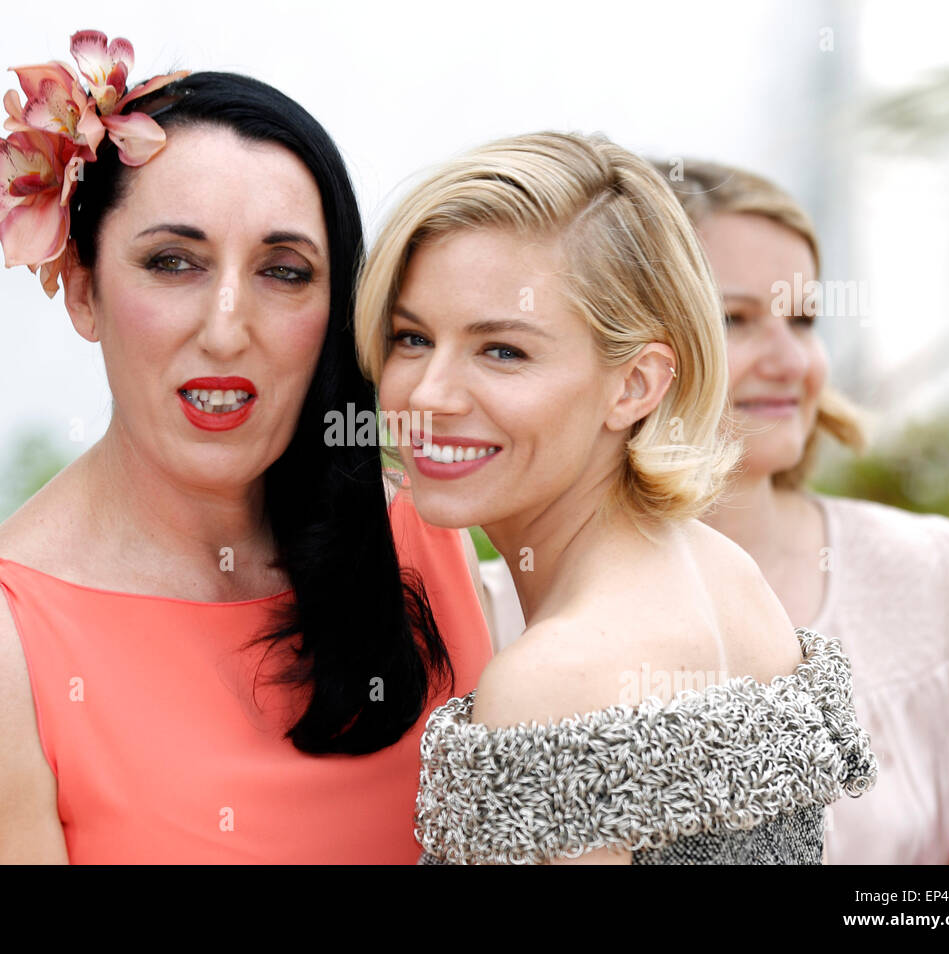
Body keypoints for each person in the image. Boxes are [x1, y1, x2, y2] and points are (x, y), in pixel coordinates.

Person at [0, 31, 492, 864]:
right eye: (174, 262)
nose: (226, 330)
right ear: (84, 290)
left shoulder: (417, 529)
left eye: (285, 271)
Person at [354, 131, 877, 864]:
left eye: (502, 350)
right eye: (411, 338)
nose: (428, 395)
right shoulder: (727, 573)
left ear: (635, 384)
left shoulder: (550, 685)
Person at [655, 157, 949, 865]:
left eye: (802, 320)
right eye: (735, 319)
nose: (792, 361)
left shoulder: (918, 564)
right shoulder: (515, 603)